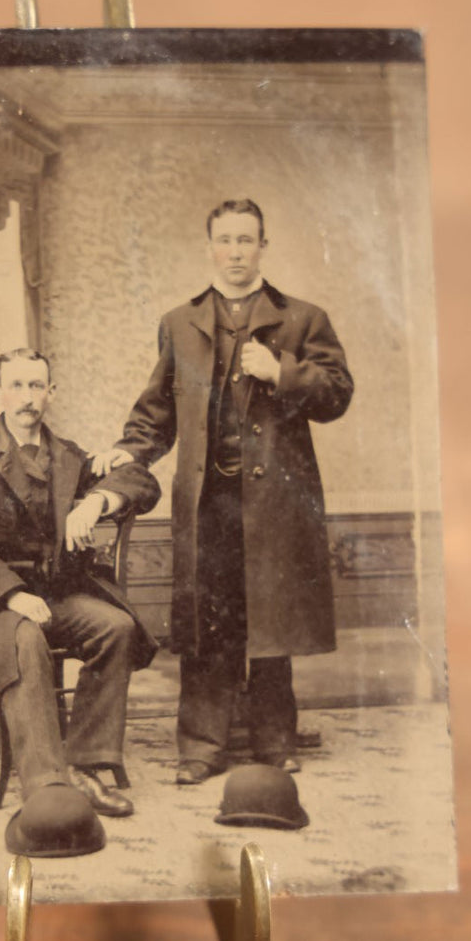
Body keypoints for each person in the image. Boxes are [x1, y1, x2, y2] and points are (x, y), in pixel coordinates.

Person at [93, 199, 353, 785]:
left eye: (246, 240)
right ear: (210, 245)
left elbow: (338, 394)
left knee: (269, 624)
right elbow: (156, 411)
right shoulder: (179, 323)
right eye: (226, 240)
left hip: (275, 506)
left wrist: (282, 371)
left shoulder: (304, 319)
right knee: (208, 626)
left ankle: (274, 742)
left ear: (264, 245)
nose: (236, 252)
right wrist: (129, 450)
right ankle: (200, 749)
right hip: (207, 502)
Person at [0, 348, 161, 845]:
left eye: (37, 386)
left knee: (114, 627)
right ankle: (46, 788)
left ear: (50, 393)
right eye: (16, 386)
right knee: (26, 637)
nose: (27, 398)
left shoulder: (70, 458)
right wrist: (10, 594)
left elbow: (142, 480)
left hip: (53, 594)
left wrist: (97, 499)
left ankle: (85, 766)